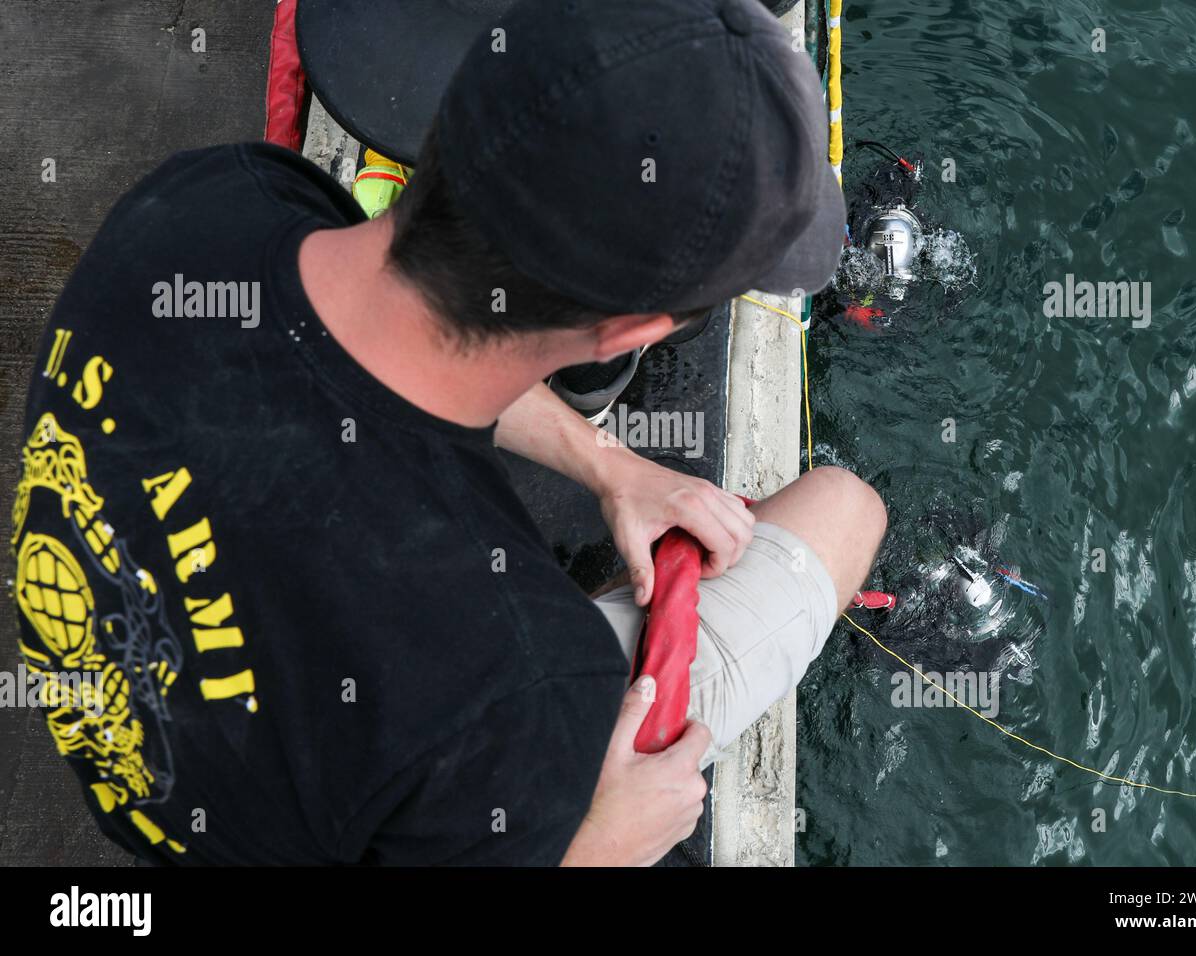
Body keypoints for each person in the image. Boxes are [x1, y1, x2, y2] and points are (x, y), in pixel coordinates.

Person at [10, 0, 885, 866]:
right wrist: (600, 848)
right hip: (406, 787)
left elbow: (392, 327)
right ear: (630, 333)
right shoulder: (523, 683)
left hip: (135, 770)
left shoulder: (206, 204)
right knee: (843, 510)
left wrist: (609, 466)